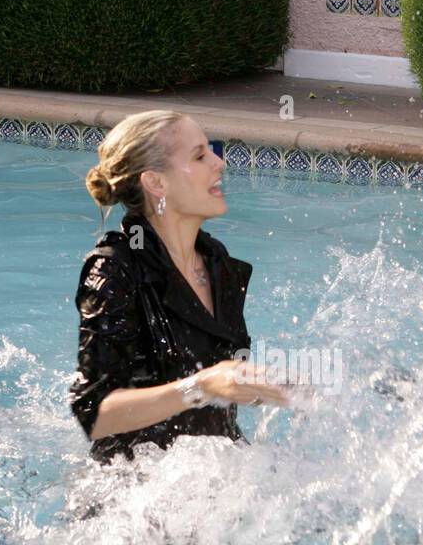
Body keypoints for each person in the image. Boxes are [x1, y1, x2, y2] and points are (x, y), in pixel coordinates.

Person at [70, 111, 289, 462]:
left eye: (212, 150)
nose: (218, 163)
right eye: (199, 155)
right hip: (133, 492)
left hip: (219, 474)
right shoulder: (115, 270)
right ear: (156, 183)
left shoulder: (216, 260)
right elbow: (95, 414)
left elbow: (221, 388)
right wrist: (200, 386)